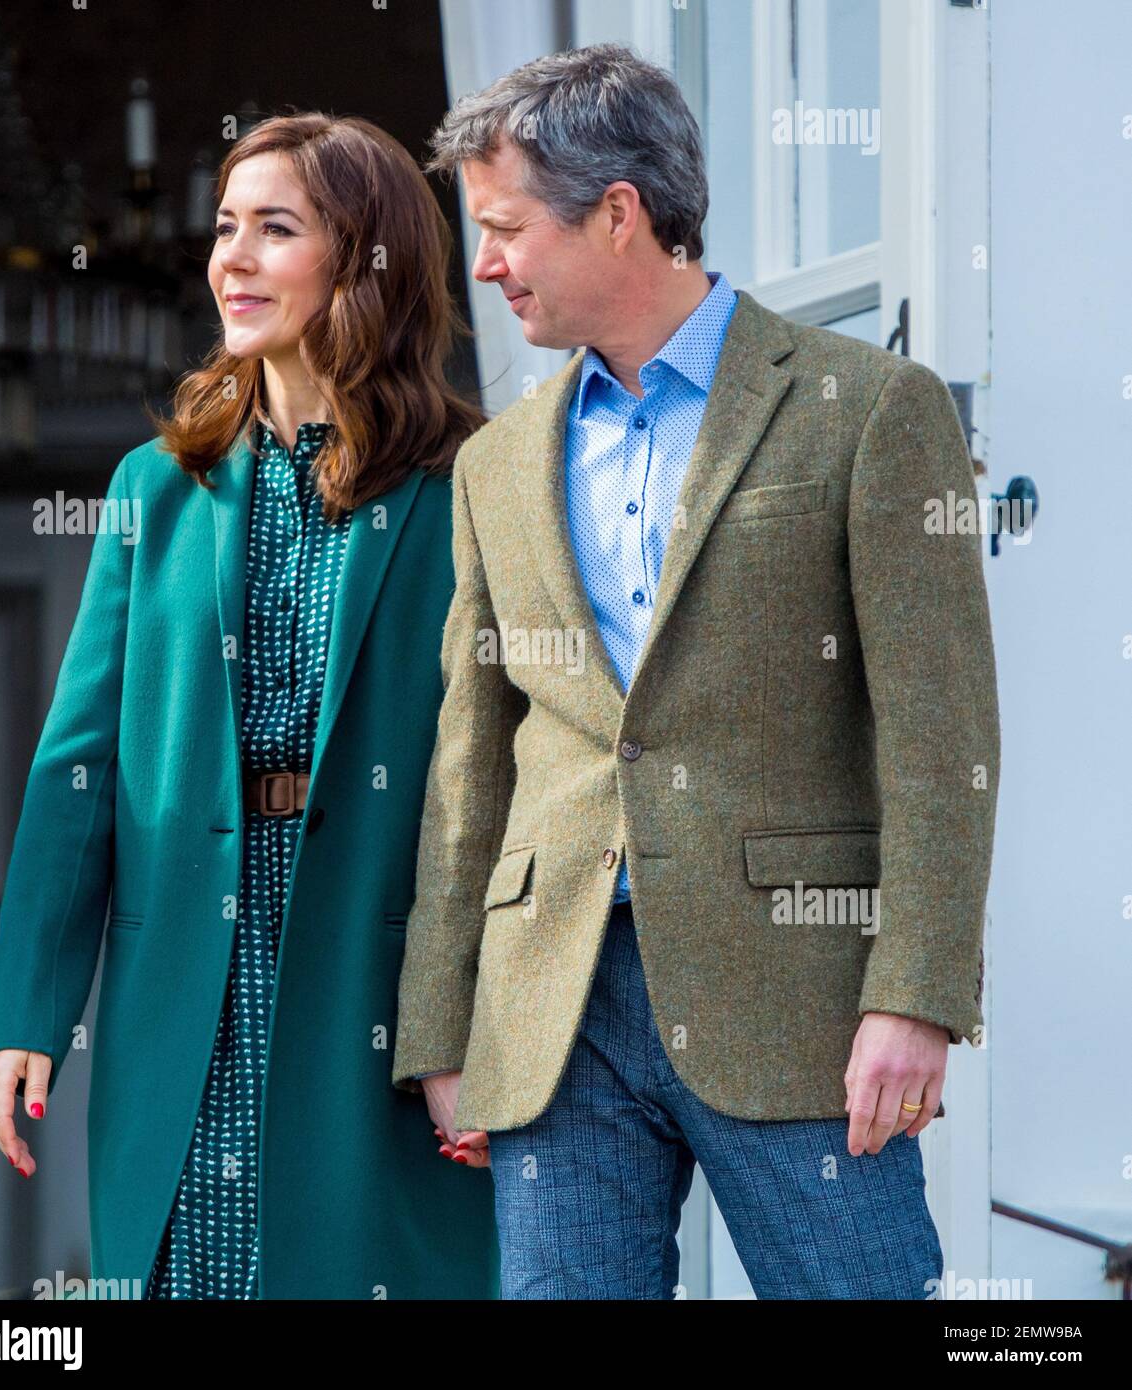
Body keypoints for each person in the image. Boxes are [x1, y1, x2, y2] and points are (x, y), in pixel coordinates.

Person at [392, 44, 1000, 1299]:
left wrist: (918, 992)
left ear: (617, 214)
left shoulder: (870, 408)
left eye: (505, 228)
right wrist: (443, 1026)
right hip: (551, 1011)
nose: (486, 263)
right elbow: (472, 759)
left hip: (802, 1001)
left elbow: (939, 730)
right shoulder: (495, 465)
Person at [0, 111, 499, 1300]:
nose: (234, 258)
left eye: (277, 229)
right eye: (226, 228)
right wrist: (30, 1009)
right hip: (183, 973)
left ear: (366, 261)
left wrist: (474, 1019)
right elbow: (80, 765)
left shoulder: (468, 484)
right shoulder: (154, 487)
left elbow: (511, 779)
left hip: (380, 975)